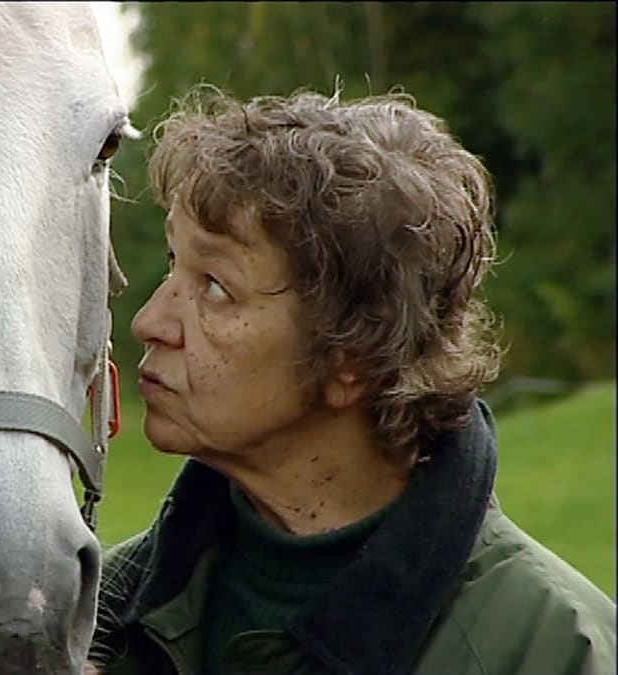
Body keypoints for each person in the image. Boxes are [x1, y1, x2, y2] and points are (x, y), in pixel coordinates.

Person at [89, 85, 616, 674]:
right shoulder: (98, 619)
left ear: (354, 355)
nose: (149, 321)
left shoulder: (552, 651)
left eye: (215, 285)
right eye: (172, 265)